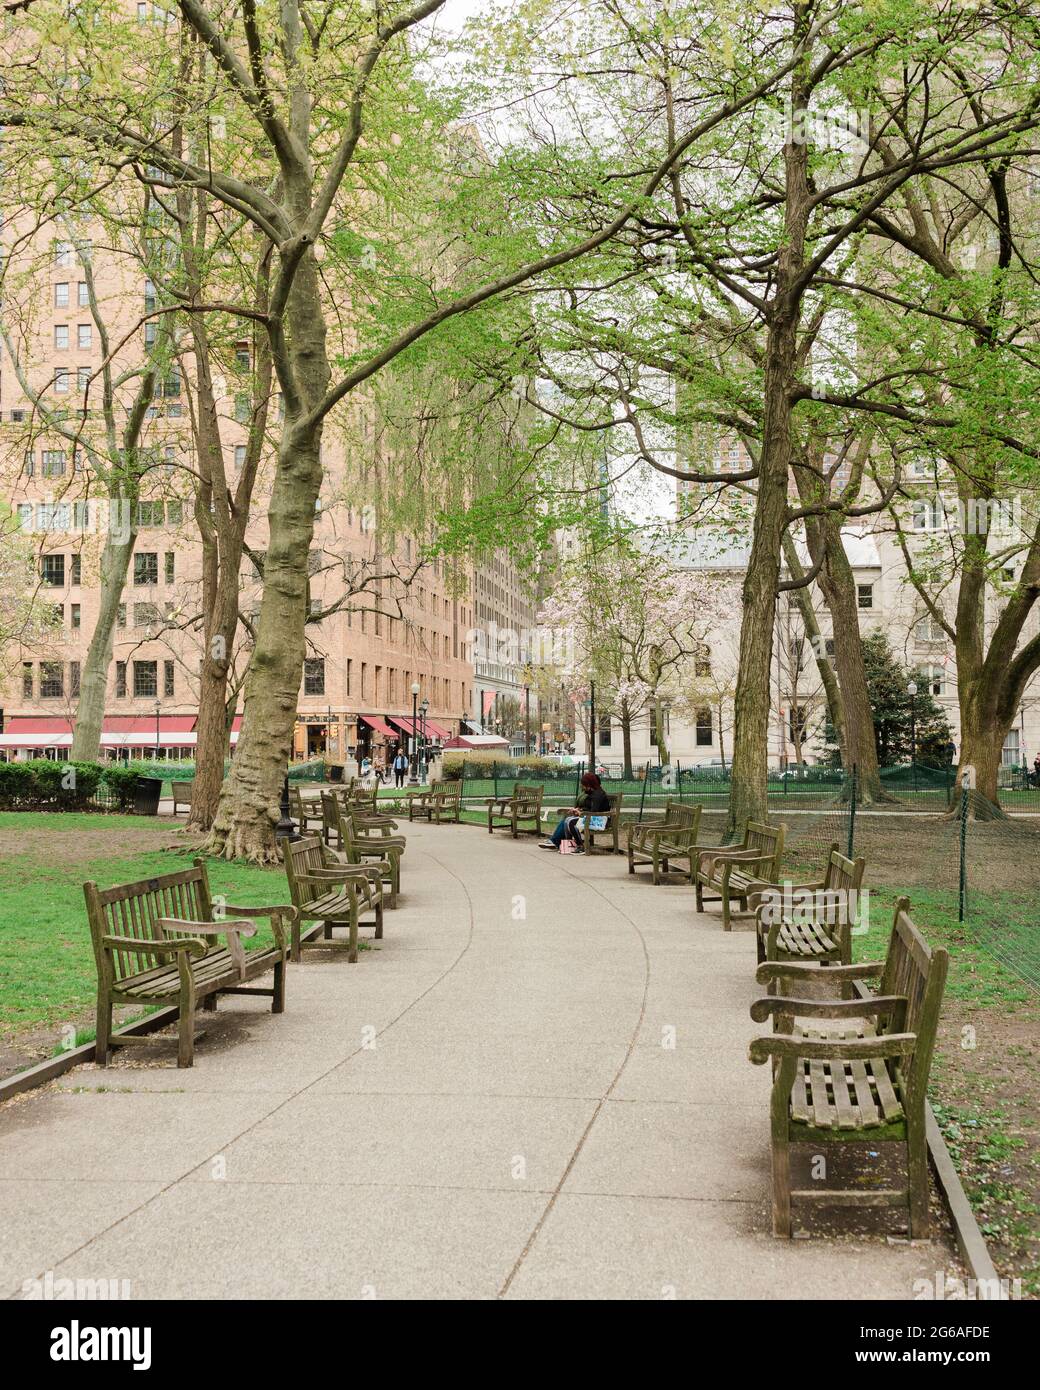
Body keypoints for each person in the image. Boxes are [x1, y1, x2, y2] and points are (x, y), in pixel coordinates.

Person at [540, 773, 610, 851]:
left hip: (600, 821)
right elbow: (589, 808)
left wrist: (581, 813)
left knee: (570, 822)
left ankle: (580, 845)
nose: (582, 787)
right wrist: (579, 810)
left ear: (589, 784)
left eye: (583, 785)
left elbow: (594, 811)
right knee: (567, 819)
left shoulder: (598, 795)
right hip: (591, 817)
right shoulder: (591, 793)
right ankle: (564, 844)